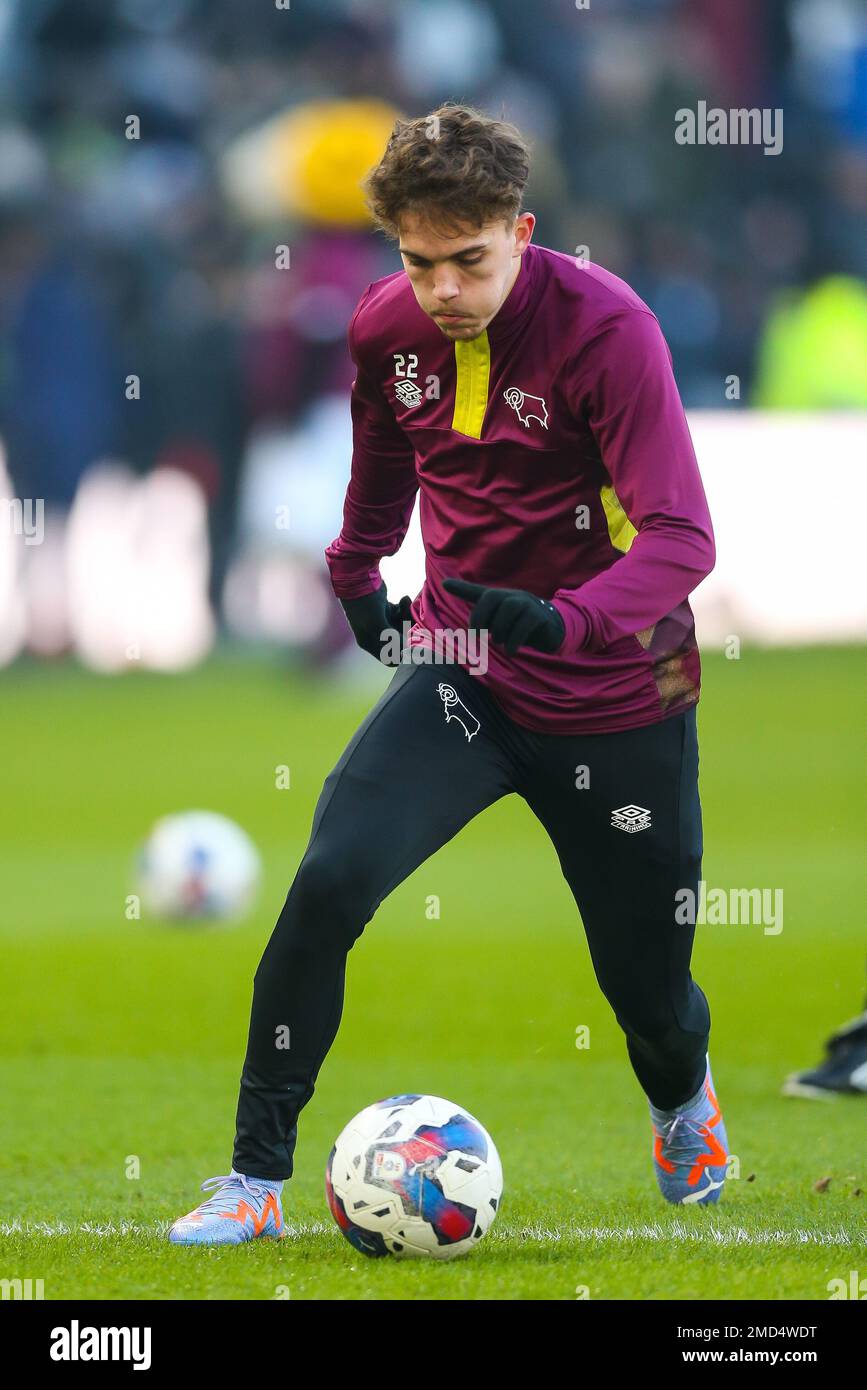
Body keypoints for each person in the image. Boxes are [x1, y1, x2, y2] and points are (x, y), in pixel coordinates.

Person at [169, 104, 728, 1245]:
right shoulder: (386, 327)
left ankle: (682, 1100)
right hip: (466, 666)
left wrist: (569, 620)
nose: (442, 291)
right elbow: (385, 463)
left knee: (649, 994)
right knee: (329, 882)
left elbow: (682, 539)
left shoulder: (609, 330)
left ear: (524, 232)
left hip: (625, 688)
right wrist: (357, 573)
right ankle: (252, 1180)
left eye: (469, 261)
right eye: (420, 263)